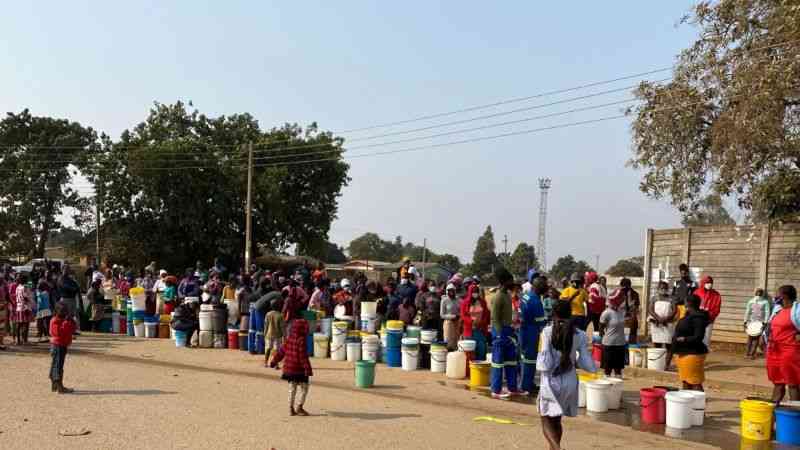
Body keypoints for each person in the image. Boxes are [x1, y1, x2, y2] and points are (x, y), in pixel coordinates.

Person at [537, 301, 596, 450]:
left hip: (551, 381)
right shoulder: (580, 334)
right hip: (570, 381)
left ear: (554, 314)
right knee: (556, 420)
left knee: (545, 418)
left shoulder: (547, 332)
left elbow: (545, 364)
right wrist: (571, 361)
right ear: (570, 314)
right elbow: (588, 364)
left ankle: (556, 448)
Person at [270, 317, 313, 416]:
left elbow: (281, 352)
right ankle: (299, 407)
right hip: (299, 370)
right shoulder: (301, 340)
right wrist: (307, 369)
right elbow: (303, 357)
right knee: (304, 389)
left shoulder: (289, 339)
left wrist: (274, 361)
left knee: (292, 389)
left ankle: (291, 408)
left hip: (289, 369)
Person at [490, 267, 521, 399]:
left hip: (508, 330)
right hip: (499, 331)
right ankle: (496, 390)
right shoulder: (497, 297)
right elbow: (495, 318)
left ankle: (512, 388)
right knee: (498, 361)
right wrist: (499, 334)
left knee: (511, 361)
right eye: (510, 280)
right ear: (504, 281)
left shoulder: (507, 295)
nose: (512, 282)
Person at [766, 285, 800, 404]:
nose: (776, 296)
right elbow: (771, 326)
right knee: (778, 382)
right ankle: (773, 414)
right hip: (774, 351)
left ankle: (795, 417)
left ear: (785, 296)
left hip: (789, 351)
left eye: (778, 294)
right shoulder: (778, 309)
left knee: (792, 383)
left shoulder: (797, 310)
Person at [672, 294, 710, 391]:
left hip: (692, 353)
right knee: (686, 381)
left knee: (694, 382)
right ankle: (687, 404)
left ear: (688, 303)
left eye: (685, 302)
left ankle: (699, 404)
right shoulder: (690, 315)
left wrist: (684, 339)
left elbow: (698, 336)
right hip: (684, 352)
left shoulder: (698, 318)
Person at [520, 276, 547, 394]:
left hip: (523, 330)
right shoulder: (536, 301)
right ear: (539, 287)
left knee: (523, 358)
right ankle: (527, 386)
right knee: (530, 360)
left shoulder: (526, 295)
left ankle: (525, 382)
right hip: (531, 331)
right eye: (544, 286)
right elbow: (541, 322)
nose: (546, 288)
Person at [49, 301, 77, 394]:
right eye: (62, 311)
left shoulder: (64, 320)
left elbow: (73, 329)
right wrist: (66, 322)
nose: (64, 313)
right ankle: (59, 387)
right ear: (57, 311)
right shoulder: (54, 321)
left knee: (57, 366)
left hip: (63, 345)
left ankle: (56, 385)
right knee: (57, 366)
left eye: (66, 311)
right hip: (57, 346)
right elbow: (58, 333)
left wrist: (71, 321)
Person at [649, 281, 677, 367]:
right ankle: (658, 364)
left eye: (665, 288)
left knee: (669, 345)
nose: (663, 290)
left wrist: (666, 318)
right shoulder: (654, 298)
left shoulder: (671, 298)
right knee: (657, 344)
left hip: (667, 324)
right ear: (658, 289)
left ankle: (666, 364)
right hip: (656, 324)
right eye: (661, 288)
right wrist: (658, 318)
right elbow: (650, 309)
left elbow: (674, 310)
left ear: (667, 289)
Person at [600, 291, 627, 377]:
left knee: (618, 370)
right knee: (607, 370)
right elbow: (601, 327)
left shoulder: (621, 311)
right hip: (609, 344)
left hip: (620, 344)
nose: (622, 301)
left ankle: (617, 388)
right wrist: (605, 337)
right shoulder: (606, 313)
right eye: (620, 299)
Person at [460, 283, 490, 361]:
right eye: (473, 292)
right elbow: (463, 315)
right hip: (469, 330)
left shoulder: (482, 302)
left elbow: (486, 314)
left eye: (476, 291)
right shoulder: (465, 303)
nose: (475, 293)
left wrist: (482, 322)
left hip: (480, 330)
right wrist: (471, 321)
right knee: (470, 352)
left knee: (481, 349)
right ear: (470, 292)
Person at [609, 278, 641, 344]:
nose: (624, 289)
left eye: (626, 287)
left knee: (631, 337)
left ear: (629, 286)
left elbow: (636, 307)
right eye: (623, 287)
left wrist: (632, 314)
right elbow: (611, 304)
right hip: (619, 317)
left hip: (631, 319)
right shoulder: (616, 294)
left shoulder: (635, 294)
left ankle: (630, 348)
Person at [744, 288, 771, 359]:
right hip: (759, 322)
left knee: (750, 338)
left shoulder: (751, 301)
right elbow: (767, 313)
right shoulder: (765, 302)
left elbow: (747, 312)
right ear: (762, 294)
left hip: (752, 322)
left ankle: (747, 354)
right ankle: (751, 354)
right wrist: (765, 322)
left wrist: (745, 321)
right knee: (755, 338)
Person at [696, 276, 722, 347]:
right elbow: (692, 305)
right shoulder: (697, 292)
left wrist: (709, 317)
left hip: (708, 321)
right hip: (697, 320)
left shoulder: (716, 295)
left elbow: (717, 309)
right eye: (707, 282)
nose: (709, 284)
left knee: (706, 340)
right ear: (703, 283)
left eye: (711, 283)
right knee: (695, 339)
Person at [13, 276, 34, 345]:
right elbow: (25, 298)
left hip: (18, 308)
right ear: (24, 281)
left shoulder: (17, 287)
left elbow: (17, 297)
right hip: (24, 308)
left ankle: (18, 341)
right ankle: (25, 341)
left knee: (19, 325)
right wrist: (27, 307)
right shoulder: (24, 287)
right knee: (26, 325)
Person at [264, 300, 285, 367]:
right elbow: (282, 327)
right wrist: (284, 335)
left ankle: (265, 362)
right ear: (278, 306)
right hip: (277, 335)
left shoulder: (268, 314)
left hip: (269, 334)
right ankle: (276, 364)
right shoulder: (280, 315)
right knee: (276, 350)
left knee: (268, 348)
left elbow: (266, 325)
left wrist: (265, 333)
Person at [440, 283, 460, 351]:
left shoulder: (458, 300)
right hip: (448, 323)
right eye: (450, 291)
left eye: (453, 291)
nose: (451, 292)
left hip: (457, 323)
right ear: (447, 291)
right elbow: (442, 315)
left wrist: (458, 316)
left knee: (456, 341)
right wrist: (453, 316)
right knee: (448, 341)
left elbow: (461, 310)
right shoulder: (444, 300)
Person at [0, 277, 9, 350]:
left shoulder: (3, 288)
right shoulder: (2, 288)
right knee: (1, 327)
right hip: (2, 309)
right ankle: (1, 343)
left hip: (2, 308)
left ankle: (1, 343)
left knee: (1, 327)